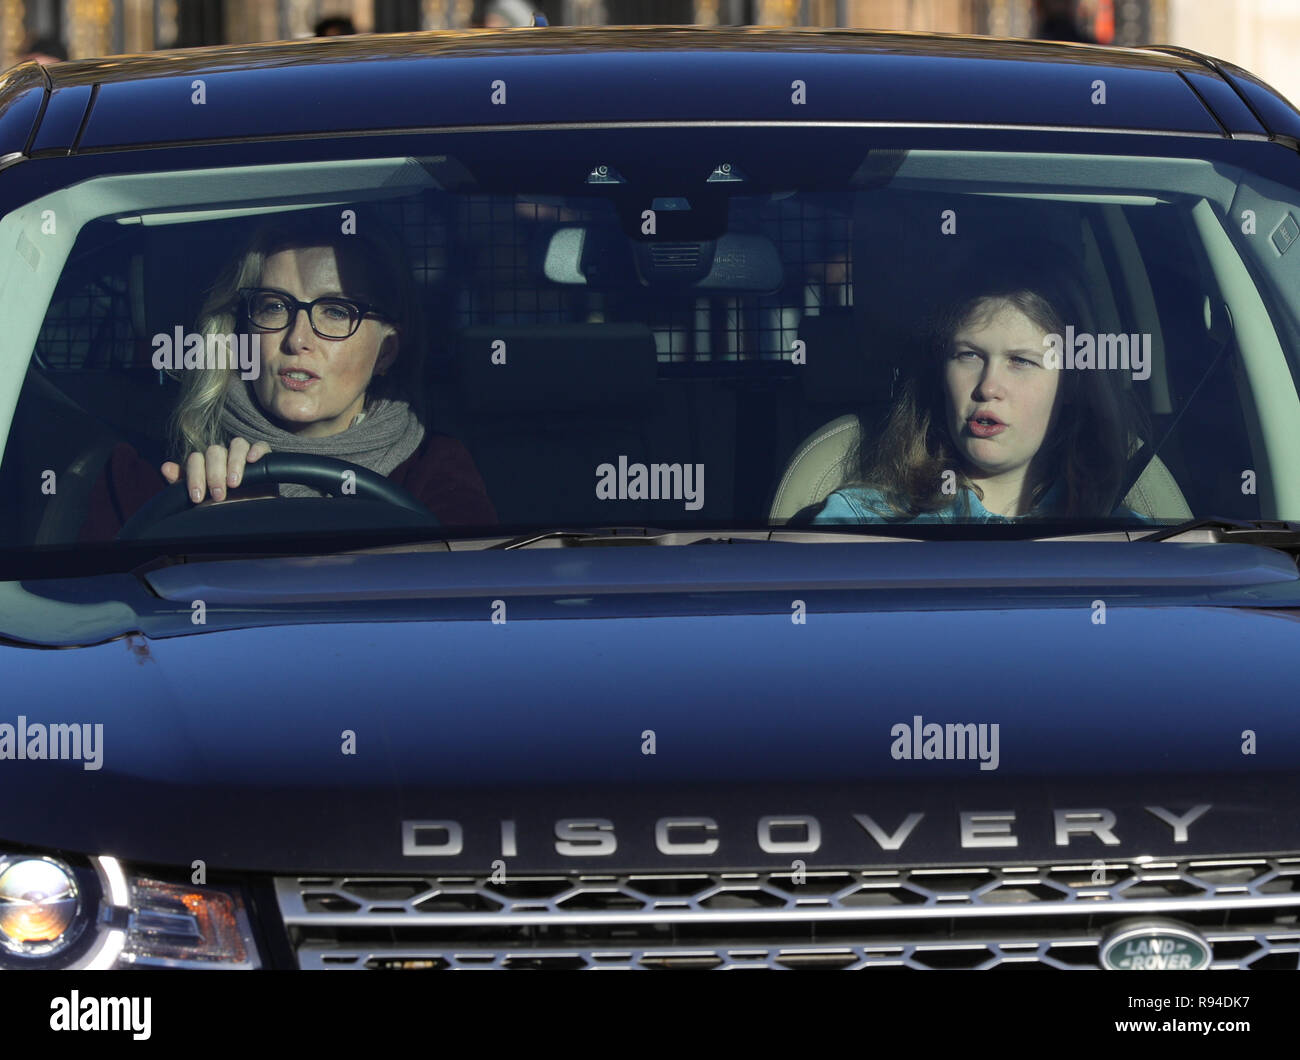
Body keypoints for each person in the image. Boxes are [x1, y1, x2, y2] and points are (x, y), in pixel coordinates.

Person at [79, 213, 496, 540]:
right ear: (242, 329)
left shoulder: (434, 469)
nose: (297, 340)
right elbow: (98, 613)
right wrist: (201, 535)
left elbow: (463, 601)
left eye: (336, 312)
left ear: (386, 351)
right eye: (274, 306)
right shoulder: (146, 471)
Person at [812, 243, 1149, 526]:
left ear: (1072, 385)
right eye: (969, 355)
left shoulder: (1129, 540)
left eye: (1021, 361)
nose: (988, 387)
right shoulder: (862, 523)